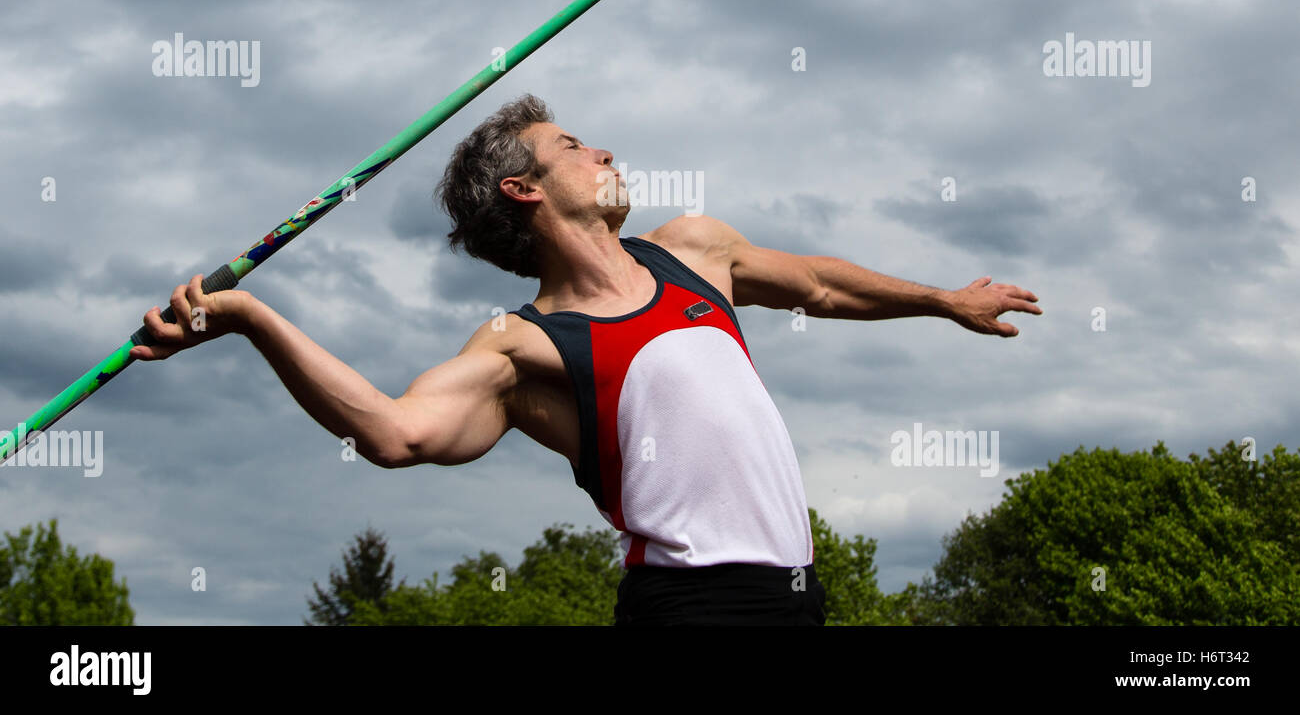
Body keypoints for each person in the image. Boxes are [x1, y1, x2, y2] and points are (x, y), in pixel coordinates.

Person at [130, 93, 1042, 625]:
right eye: (572, 145)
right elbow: (397, 434)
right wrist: (250, 318)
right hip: (688, 607)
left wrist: (943, 298)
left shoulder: (693, 250)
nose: (602, 149)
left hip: (799, 596)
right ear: (523, 188)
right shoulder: (523, 344)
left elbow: (818, 285)